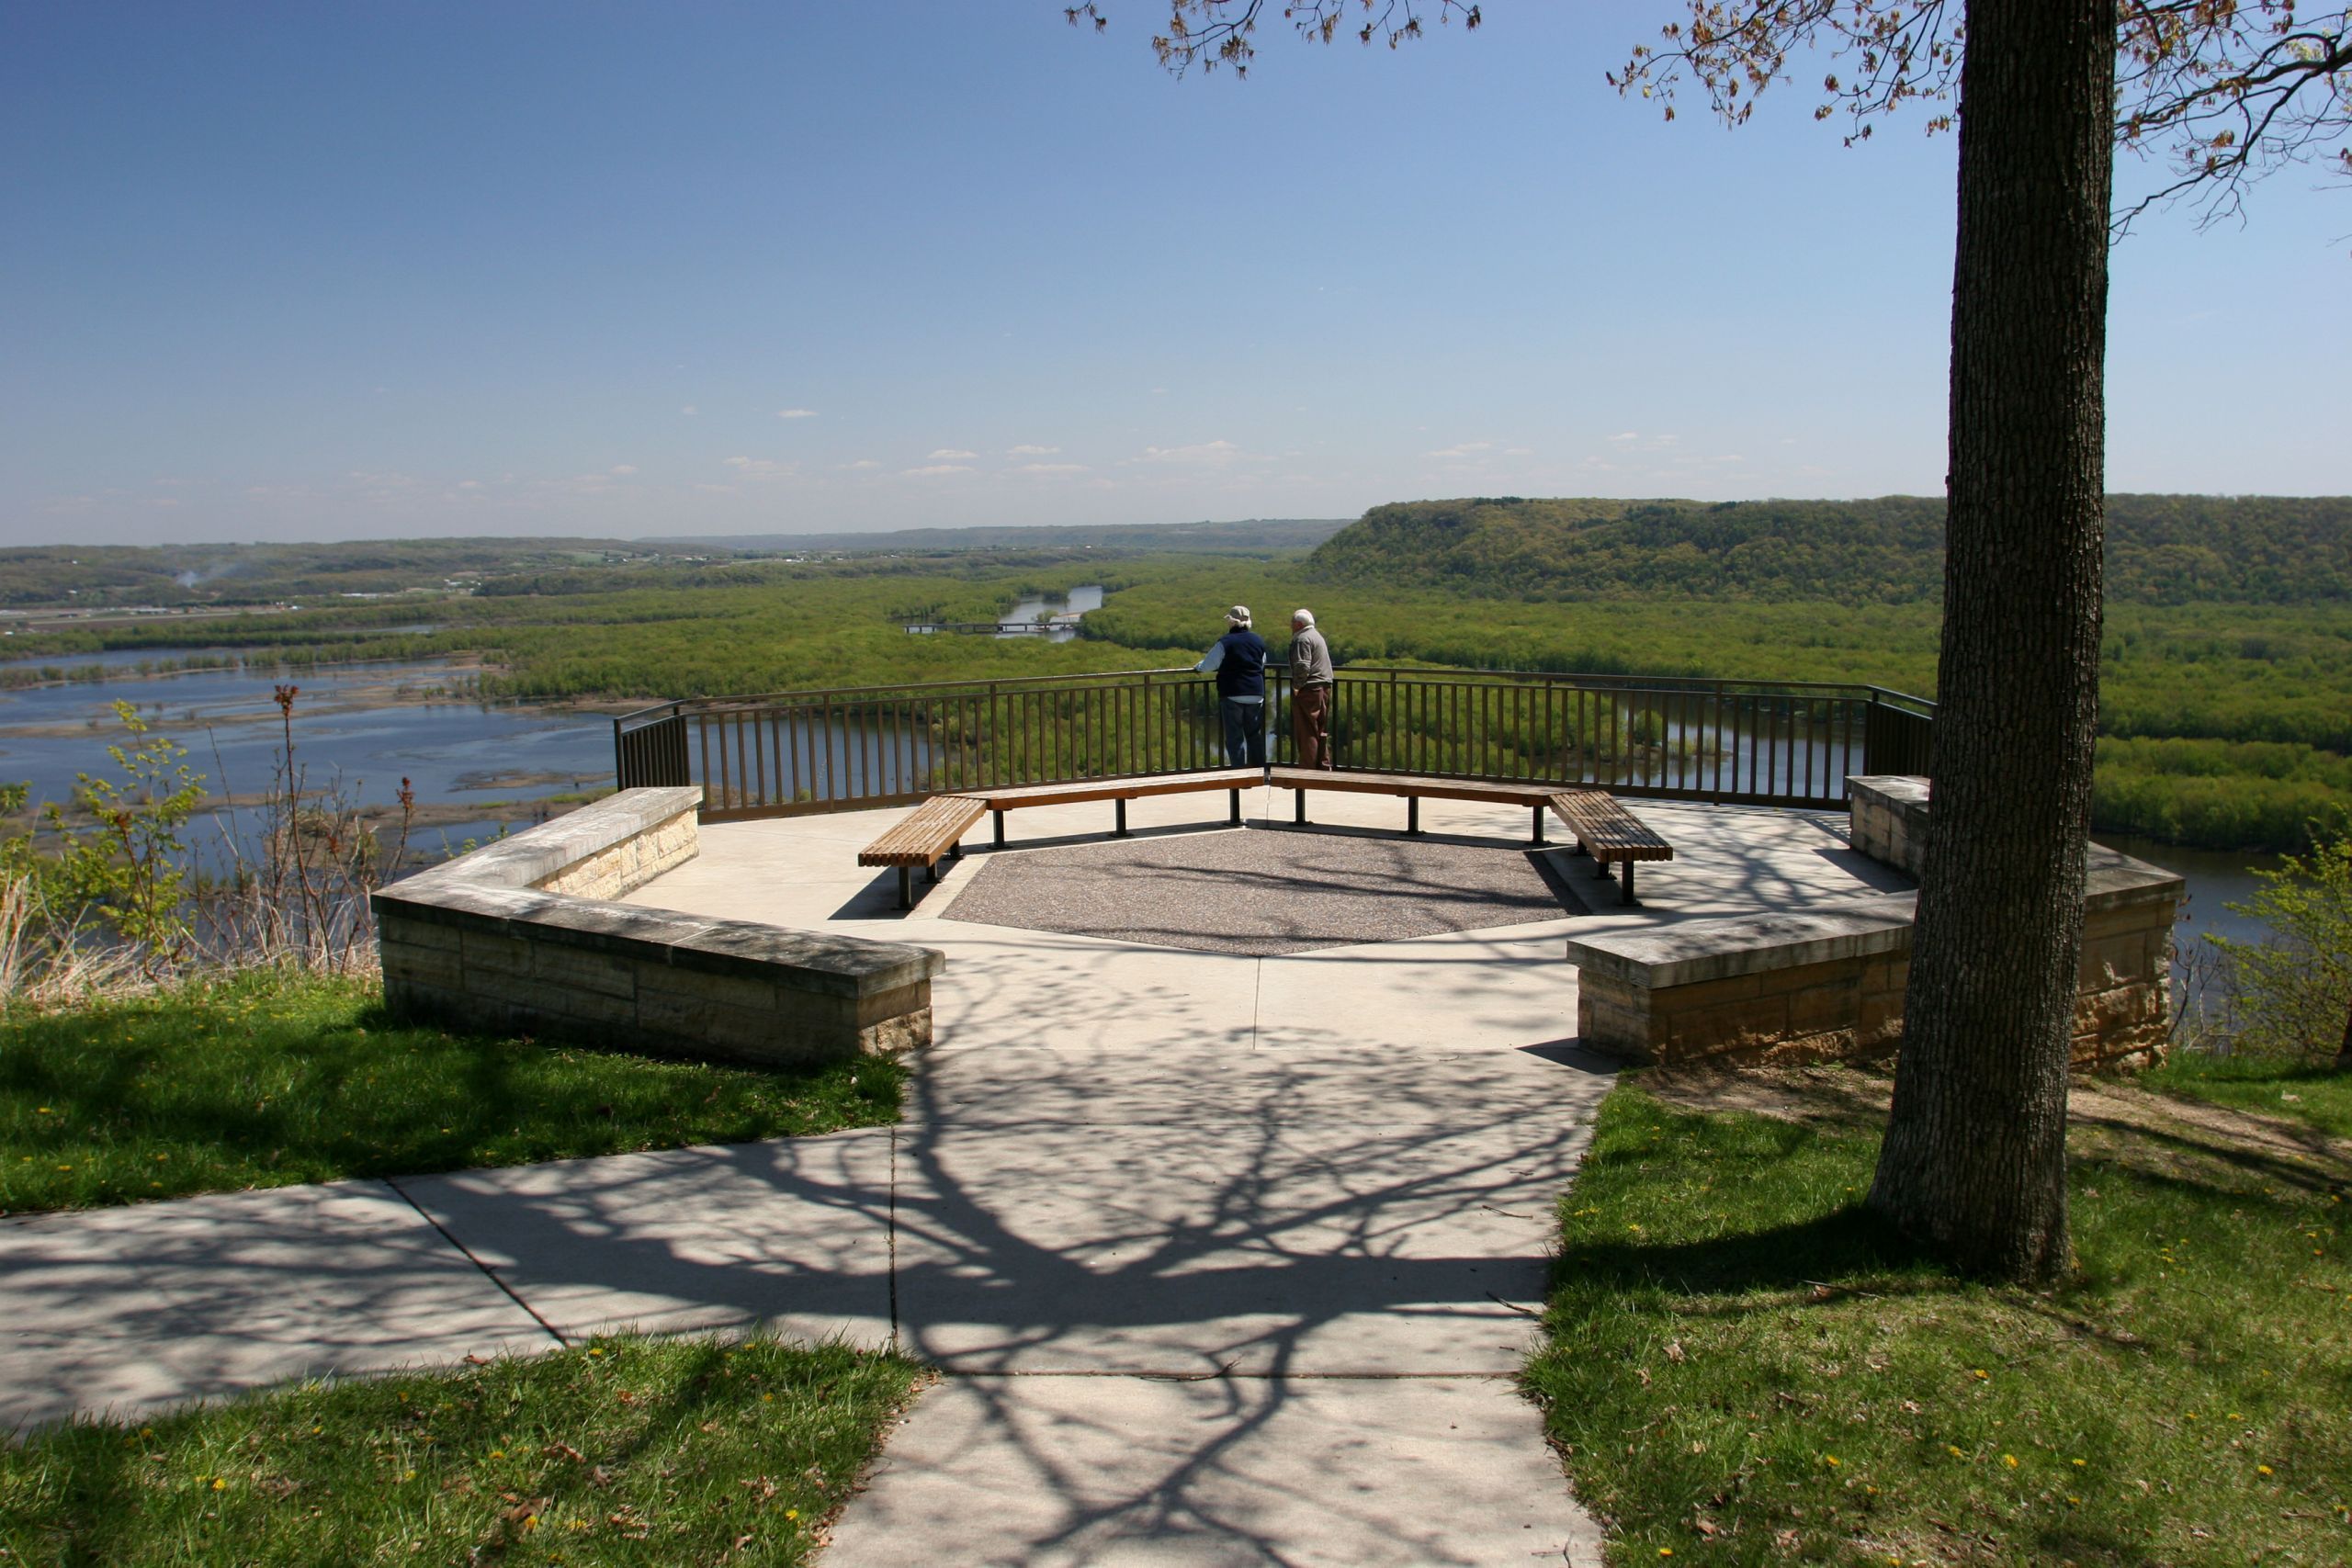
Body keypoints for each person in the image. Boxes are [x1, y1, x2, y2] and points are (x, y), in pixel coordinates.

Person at [1194, 604, 1268, 767]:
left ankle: (1240, 775)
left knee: (1235, 737)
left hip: (1233, 693)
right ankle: (1259, 772)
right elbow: (1262, 663)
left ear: (1231, 622)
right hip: (1256, 694)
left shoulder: (1226, 642)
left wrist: (1198, 667)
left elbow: (1209, 665)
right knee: (1254, 735)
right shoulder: (1258, 641)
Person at [1287, 608, 1335, 769]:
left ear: (1299, 624)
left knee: (1306, 730)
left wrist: (1296, 687)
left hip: (1310, 689)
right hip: (1324, 687)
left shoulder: (1302, 639)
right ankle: (1323, 764)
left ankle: (1307, 770)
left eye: (1292, 623)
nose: (1291, 627)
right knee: (1320, 729)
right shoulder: (1317, 636)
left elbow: (1302, 666)